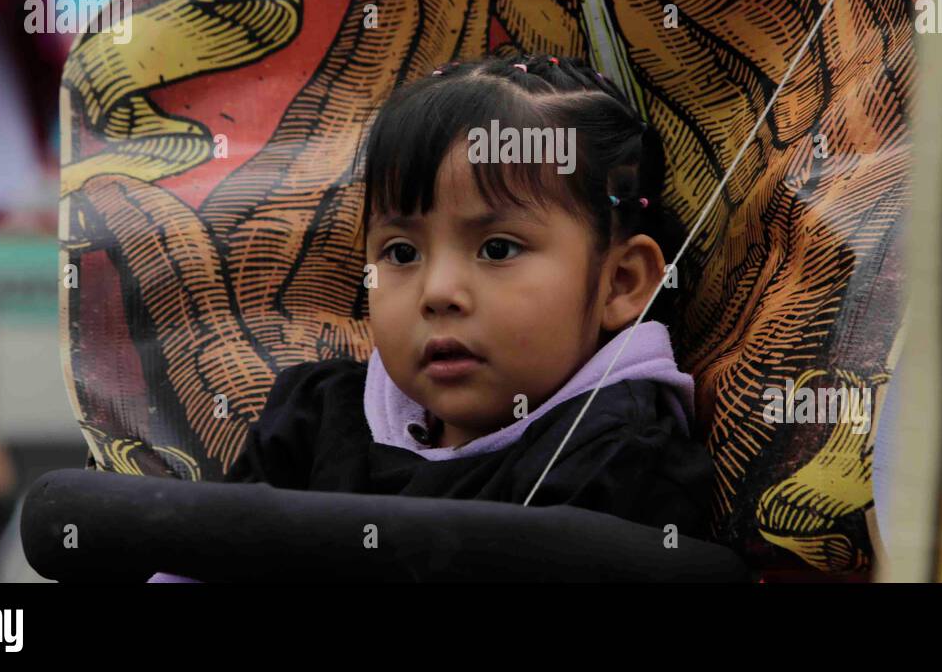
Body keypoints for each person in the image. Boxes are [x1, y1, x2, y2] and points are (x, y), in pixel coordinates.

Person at [149, 53, 715, 581]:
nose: (438, 292)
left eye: (497, 249)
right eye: (401, 253)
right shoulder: (316, 420)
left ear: (621, 283)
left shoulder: (624, 461)